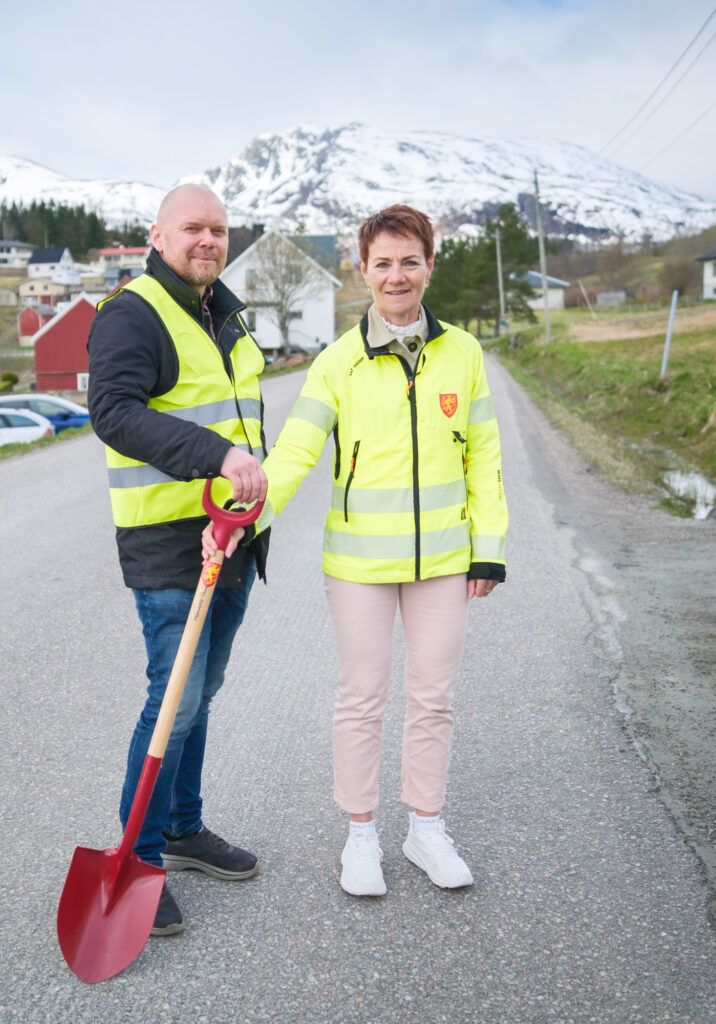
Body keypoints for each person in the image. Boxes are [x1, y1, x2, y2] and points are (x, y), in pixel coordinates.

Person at [208, 203, 507, 897]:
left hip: (442, 561)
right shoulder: (337, 363)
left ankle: (426, 830)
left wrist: (487, 547)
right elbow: (295, 452)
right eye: (383, 263)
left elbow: (484, 456)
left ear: (430, 265)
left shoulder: (462, 354)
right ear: (362, 271)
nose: (396, 276)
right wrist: (242, 518)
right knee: (362, 697)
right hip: (358, 567)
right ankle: (362, 838)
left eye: (410, 261)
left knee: (433, 698)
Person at [86, 183, 270, 937]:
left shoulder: (219, 312)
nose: (208, 240)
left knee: (203, 690)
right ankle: (139, 857)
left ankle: (186, 829)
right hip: (167, 541)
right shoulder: (133, 311)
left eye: (219, 230)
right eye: (193, 227)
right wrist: (218, 456)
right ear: (156, 235)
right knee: (175, 698)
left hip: (231, 536)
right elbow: (115, 413)